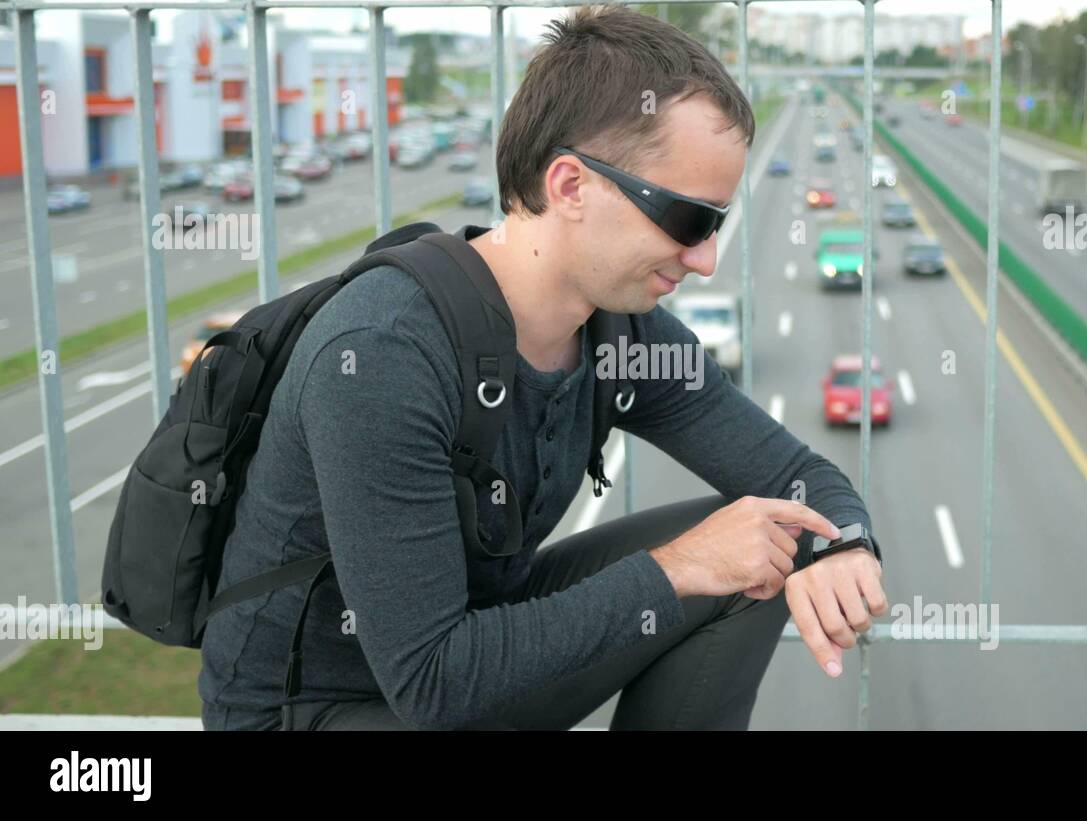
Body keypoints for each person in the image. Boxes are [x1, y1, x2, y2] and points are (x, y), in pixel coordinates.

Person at [200, 3, 887, 731]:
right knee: (713, 556)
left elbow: (795, 477)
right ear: (569, 186)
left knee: (768, 535)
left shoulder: (622, 335)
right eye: (688, 219)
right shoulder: (383, 352)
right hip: (315, 707)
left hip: (475, 645)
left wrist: (844, 541)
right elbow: (435, 688)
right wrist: (682, 566)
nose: (707, 258)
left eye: (714, 224)